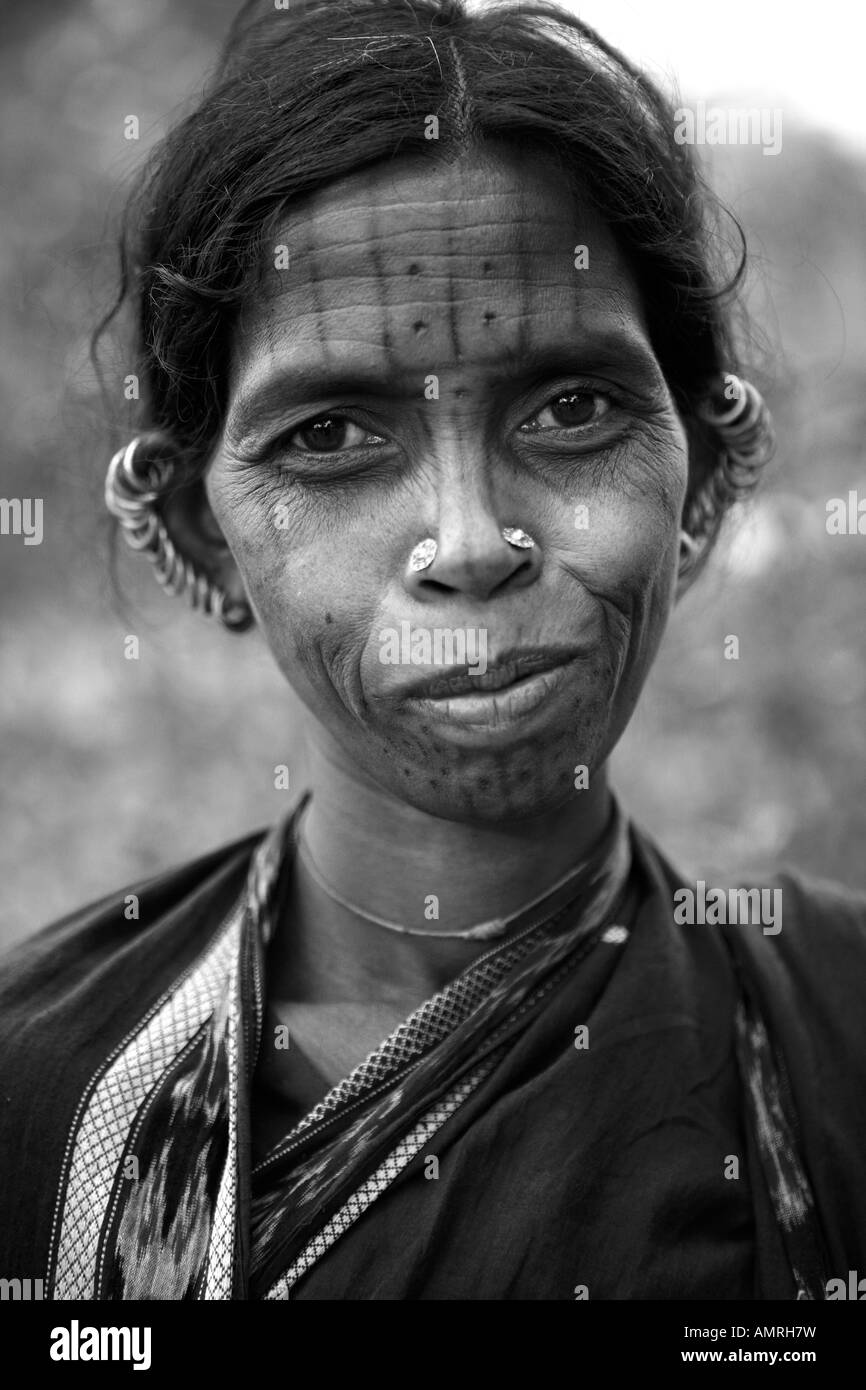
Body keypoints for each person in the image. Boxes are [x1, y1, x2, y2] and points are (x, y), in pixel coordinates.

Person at [1, 0, 864, 1301]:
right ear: (203, 527)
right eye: (332, 435)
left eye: (572, 408)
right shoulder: (40, 1093)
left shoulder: (835, 1042)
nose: (468, 542)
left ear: (698, 472)